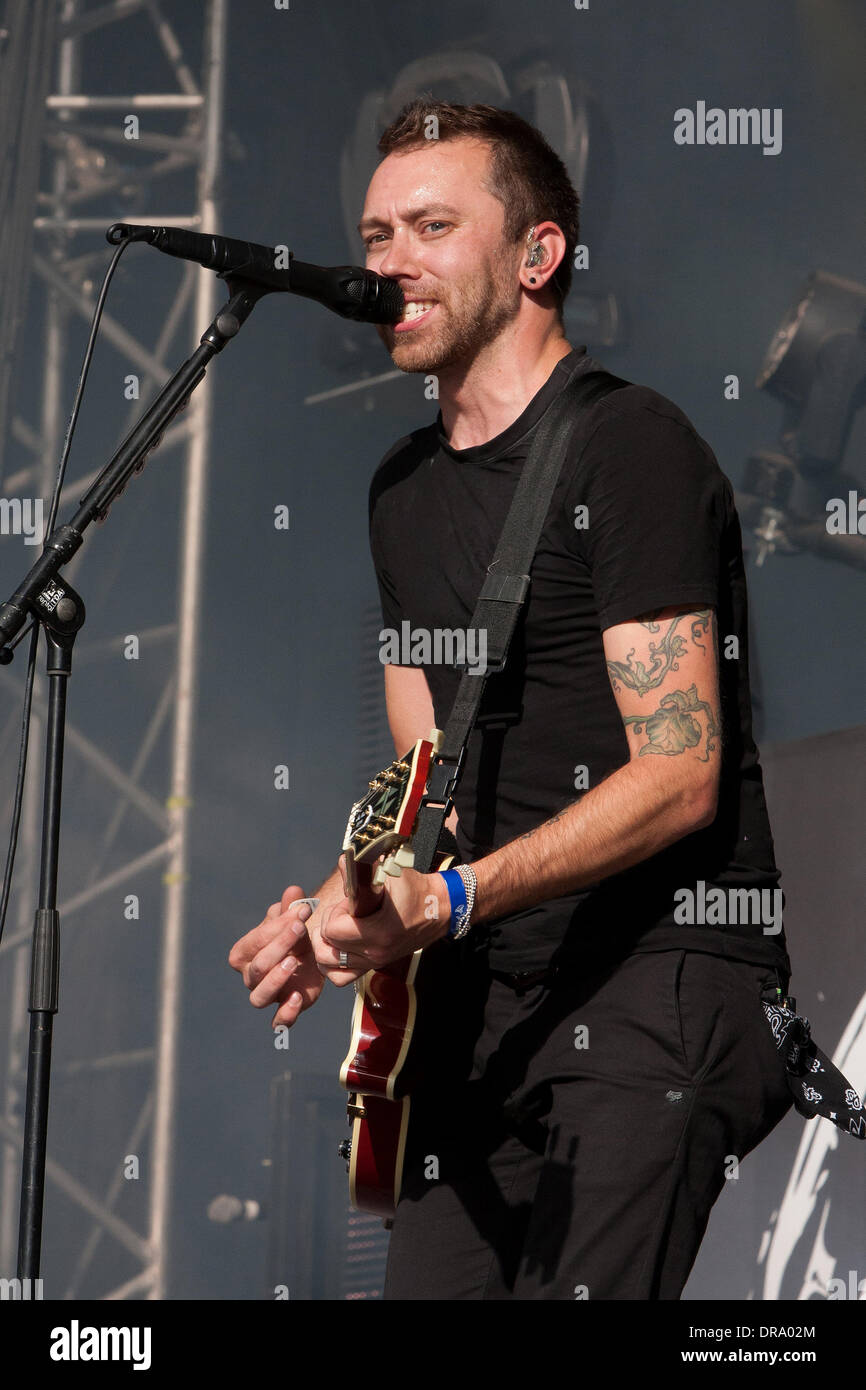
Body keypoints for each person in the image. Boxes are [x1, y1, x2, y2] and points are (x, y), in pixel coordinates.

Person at [229, 100, 794, 1300]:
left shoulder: (629, 447)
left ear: (536, 256)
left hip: (654, 973)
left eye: (431, 224)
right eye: (376, 231)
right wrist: (347, 903)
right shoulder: (400, 491)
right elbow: (431, 769)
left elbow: (680, 771)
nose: (386, 261)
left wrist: (451, 897)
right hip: (485, 999)